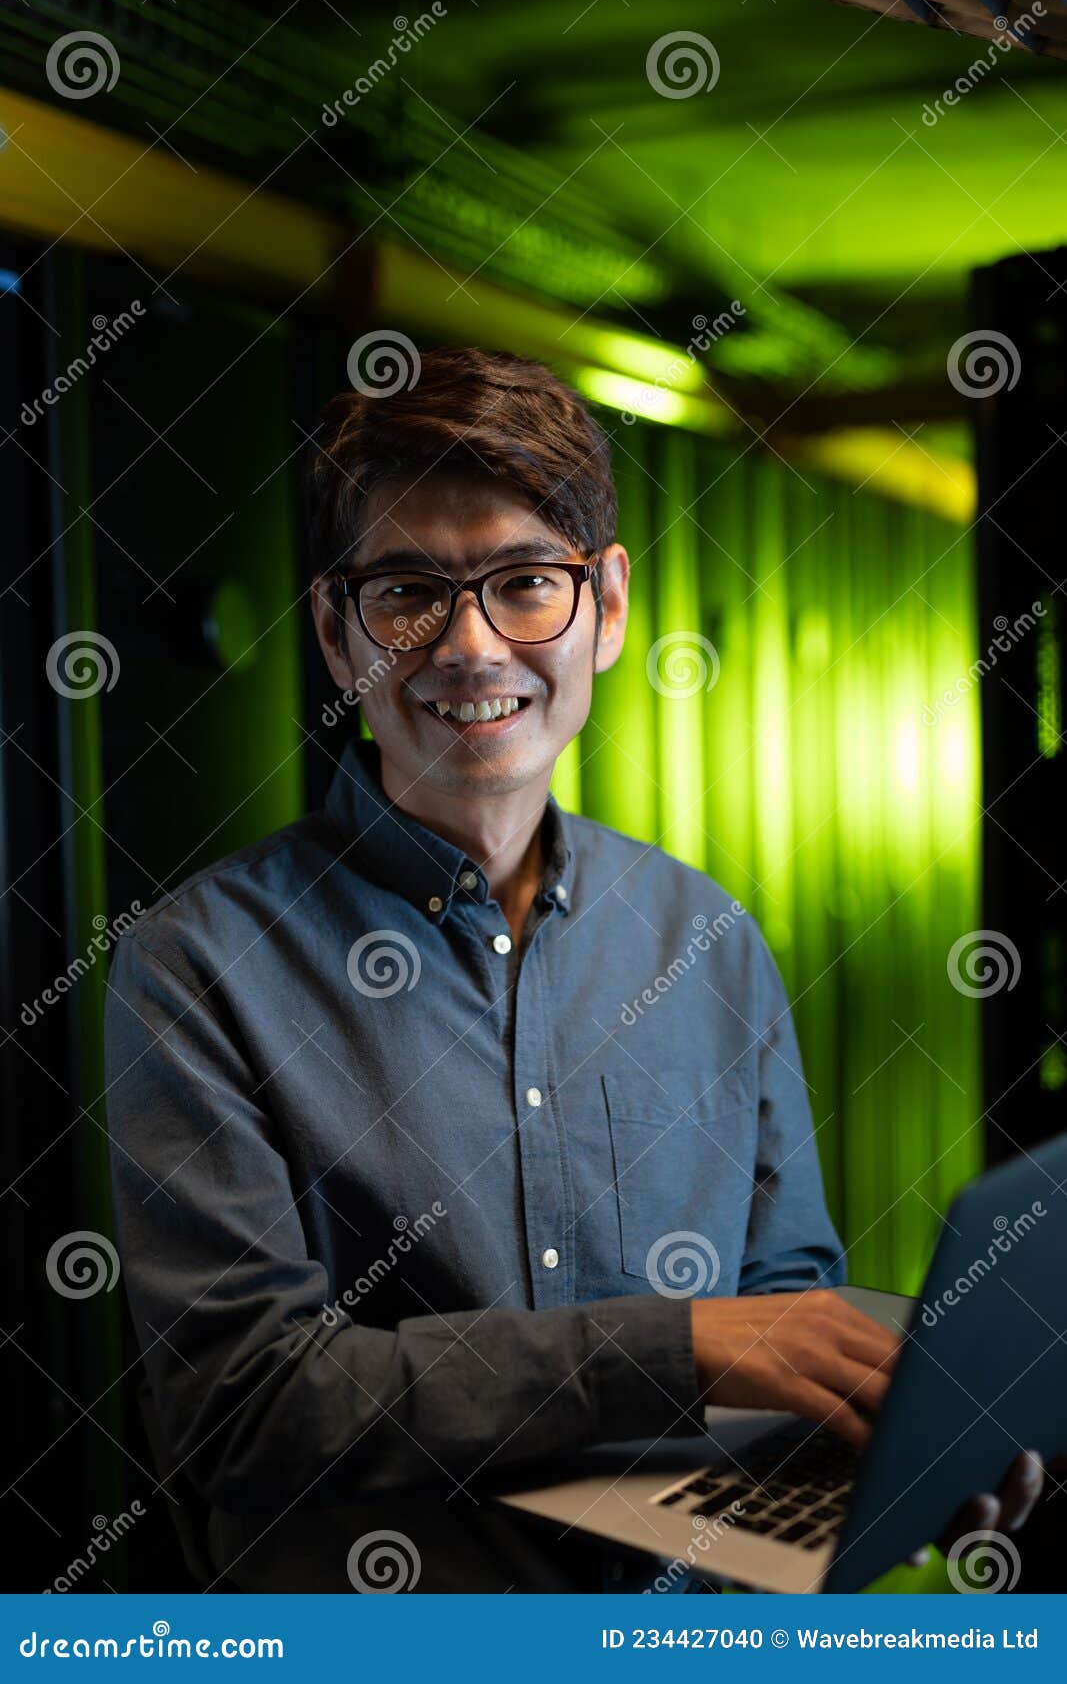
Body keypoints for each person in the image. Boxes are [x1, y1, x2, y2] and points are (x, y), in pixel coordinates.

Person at [104, 347, 1043, 1593]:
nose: (470, 646)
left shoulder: (704, 935)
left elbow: (780, 1305)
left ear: (604, 606)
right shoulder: (195, 966)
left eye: (524, 584)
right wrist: (671, 1350)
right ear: (335, 633)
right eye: (407, 592)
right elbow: (242, 1407)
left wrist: (893, 1441)